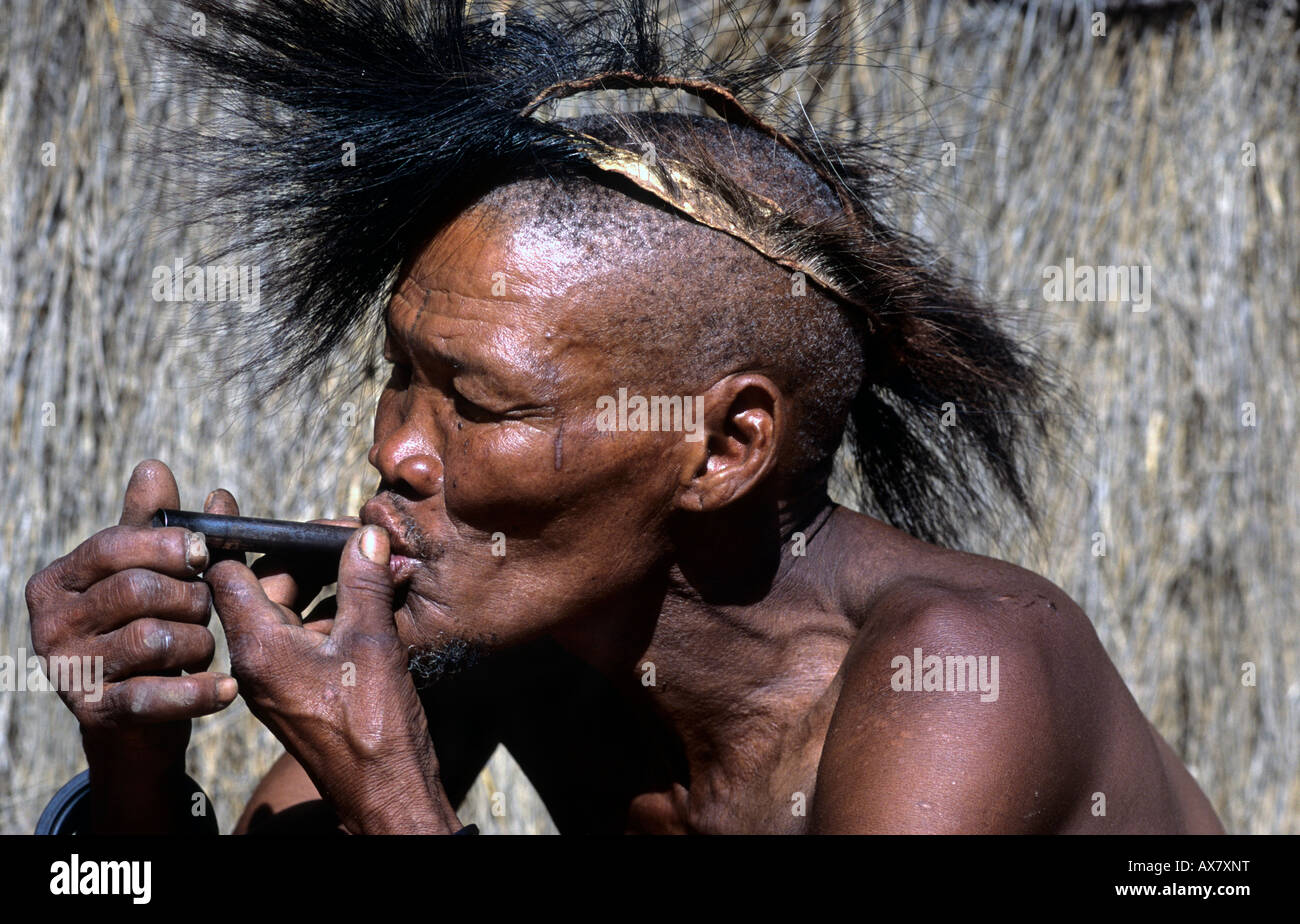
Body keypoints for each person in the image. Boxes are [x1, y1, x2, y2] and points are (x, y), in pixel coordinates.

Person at [25, 0, 1224, 834]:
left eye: (482, 404)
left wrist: (391, 794)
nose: (389, 448)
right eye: (400, 373)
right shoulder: (514, 635)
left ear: (722, 449)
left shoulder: (956, 678)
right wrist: (136, 779)